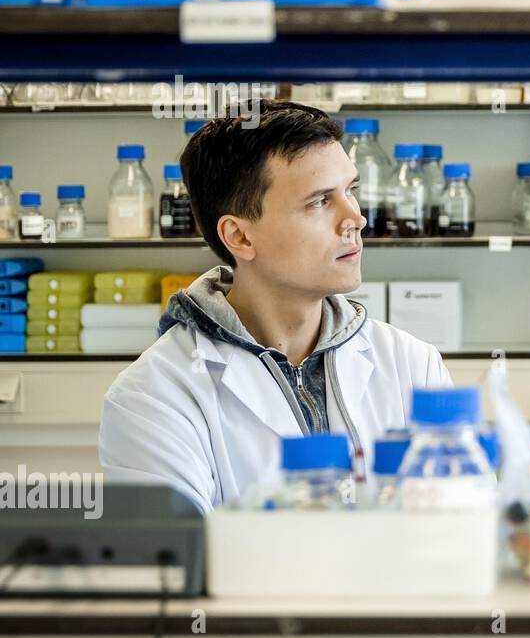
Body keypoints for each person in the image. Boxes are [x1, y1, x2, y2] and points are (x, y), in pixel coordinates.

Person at [98, 102, 451, 513]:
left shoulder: (411, 364)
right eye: (320, 201)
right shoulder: (154, 397)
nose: (355, 218)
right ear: (240, 237)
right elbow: (178, 567)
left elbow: (460, 535)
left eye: (350, 191)